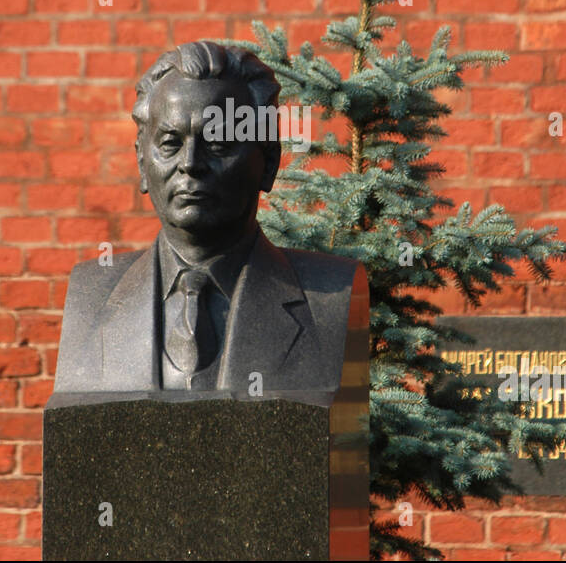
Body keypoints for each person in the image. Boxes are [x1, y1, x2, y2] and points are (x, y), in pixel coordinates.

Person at [53, 41, 367, 393]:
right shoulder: (91, 297)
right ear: (142, 162)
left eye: (217, 143)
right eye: (170, 143)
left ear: (269, 162)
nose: (189, 163)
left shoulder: (328, 298)